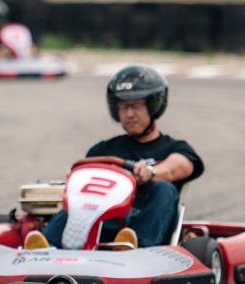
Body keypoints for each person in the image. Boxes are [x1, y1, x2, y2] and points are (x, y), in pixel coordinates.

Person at [37, 65, 204, 249]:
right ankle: (46, 246)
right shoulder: (102, 150)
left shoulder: (174, 148)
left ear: (154, 106)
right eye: (123, 107)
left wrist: (151, 172)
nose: (129, 114)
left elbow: (177, 168)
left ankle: (136, 246)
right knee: (79, 202)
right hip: (105, 220)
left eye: (137, 106)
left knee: (165, 187)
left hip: (147, 223)